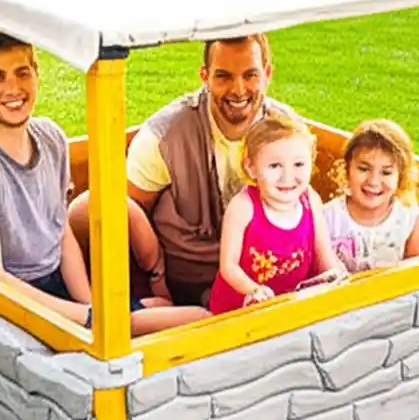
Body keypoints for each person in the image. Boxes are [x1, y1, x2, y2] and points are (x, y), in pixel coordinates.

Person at [0, 25, 205, 334]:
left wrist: (90, 308)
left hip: (58, 291)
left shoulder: (50, 138)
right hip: (5, 312)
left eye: (22, 73)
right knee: (197, 321)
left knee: (172, 310)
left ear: (36, 74)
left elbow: (61, 234)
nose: (13, 88)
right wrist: (89, 320)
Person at [67, 33, 300, 307]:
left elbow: (308, 209)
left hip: (273, 285)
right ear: (205, 76)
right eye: (223, 76)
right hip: (189, 291)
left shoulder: (288, 130)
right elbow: (128, 217)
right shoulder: (164, 137)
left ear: (267, 74)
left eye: (250, 75)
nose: (238, 90)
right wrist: (155, 292)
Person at [207, 116, 345, 315]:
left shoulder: (310, 199)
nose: (287, 177)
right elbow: (229, 266)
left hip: (292, 306)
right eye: (274, 166)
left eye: (298, 164)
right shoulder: (244, 207)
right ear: (251, 168)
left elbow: (323, 254)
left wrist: (335, 275)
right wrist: (254, 290)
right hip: (241, 309)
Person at [323, 119, 419, 272]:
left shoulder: (408, 217)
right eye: (364, 169)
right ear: (347, 170)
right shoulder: (327, 218)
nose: (373, 181)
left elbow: (418, 271)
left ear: (401, 177)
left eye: (386, 172)